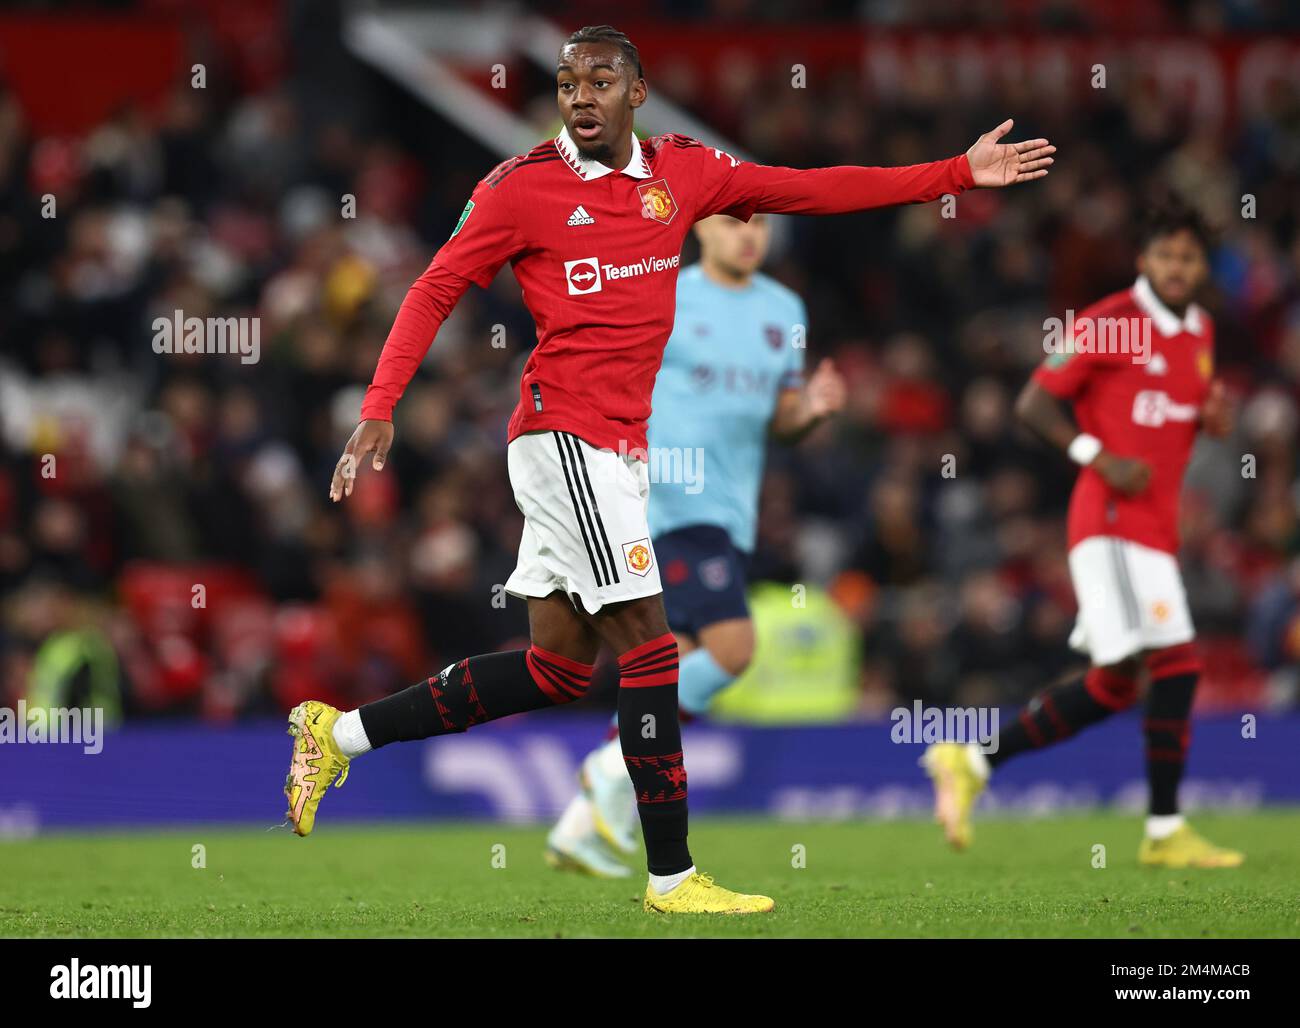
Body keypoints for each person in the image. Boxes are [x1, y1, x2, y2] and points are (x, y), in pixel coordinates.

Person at [285, 23, 1055, 915]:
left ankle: (335, 733)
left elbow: (807, 189)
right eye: (569, 81)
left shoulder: (685, 173)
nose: (580, 95)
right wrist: (379, 405)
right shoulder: (517, 186)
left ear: (637, 92)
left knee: (559, 670)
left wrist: (954, 174)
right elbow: (435, 285)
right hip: (562, 438)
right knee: (652, 651)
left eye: (600, 80)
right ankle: (672, 877)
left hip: (616, 450)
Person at [923, 200, 1242, 869]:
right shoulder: (1111, 322)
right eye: (1166, 254)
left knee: (1116, 684)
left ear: (1201, 265)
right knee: (1179, 662)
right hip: (1111, 521)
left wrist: (1211, 420)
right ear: (1143, 260)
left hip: (1154, 528)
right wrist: (1095, 455)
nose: (1177, 267)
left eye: (1188, 257)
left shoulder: (1203, 332)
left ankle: (973, 759)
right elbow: (1032, 403)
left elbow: (1175, 418)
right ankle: (1164, 832)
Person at [544, 211, 847, 877]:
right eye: (734, 222)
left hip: (729, 511)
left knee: (665, 667)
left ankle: (583, 822)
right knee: (735, 649)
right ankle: (604, 770)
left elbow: (784, 415)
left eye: (760, 224)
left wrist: (813, 409)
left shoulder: (784, 308)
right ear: (700, 230)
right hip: (674, 497)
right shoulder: (665, 292)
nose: (749, 234)